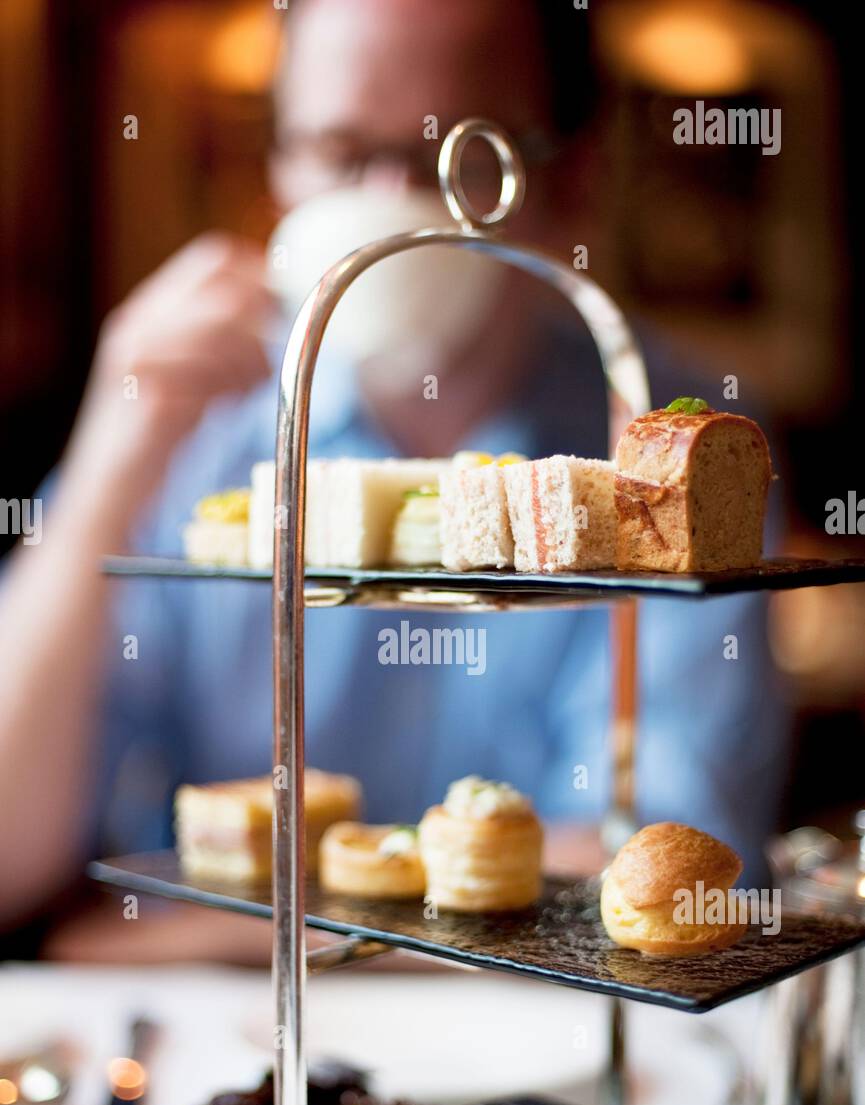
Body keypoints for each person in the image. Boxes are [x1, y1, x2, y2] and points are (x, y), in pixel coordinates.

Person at [0, 0, 787, 949]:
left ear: (569, 175)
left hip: (537, 1052)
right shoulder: (189, 425)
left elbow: (655, 887)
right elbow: (10, 854)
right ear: (278, 165)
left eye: (443, 164)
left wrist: (183, 936)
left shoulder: (667, 455)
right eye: (336, 155)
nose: (383, 200)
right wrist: (100, 473)